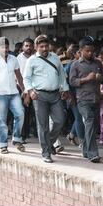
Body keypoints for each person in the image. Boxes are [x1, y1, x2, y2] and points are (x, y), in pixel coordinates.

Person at [24, 35, 70, 163]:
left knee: (60, 120)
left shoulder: (55, 57)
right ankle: (46, 152)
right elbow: (26, 78)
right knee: (43, 125)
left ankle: (48, 142)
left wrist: (65, 89)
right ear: (36, 47)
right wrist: (30, 91)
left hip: (55, 94)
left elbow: (61, 74)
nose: (44, 49)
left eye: (46, 46)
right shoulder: (31, 60)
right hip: (39, 96)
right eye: (41, 47)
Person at [69, 38, 103, 163]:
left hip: (96, 98)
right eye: (87, 51)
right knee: (89, 122)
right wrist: (86, 79)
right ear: (81, 51)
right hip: (82, 100)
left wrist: (101, 78)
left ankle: (85, 149)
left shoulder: (98, 63)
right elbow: (72, 81)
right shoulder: (75, 64)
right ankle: (92, 153)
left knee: (93, 127)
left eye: (92, 51)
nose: (90, 53)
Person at [0, 38, 26, 154]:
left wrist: (24, 90)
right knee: (2, 120)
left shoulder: (13, 59)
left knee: (20, 114)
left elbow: (19, 76)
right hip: (0, 94)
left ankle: (17, 138)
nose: (5, 49)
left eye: (7, 47)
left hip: (14, 93)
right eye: (3, 47)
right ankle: (3, 144)